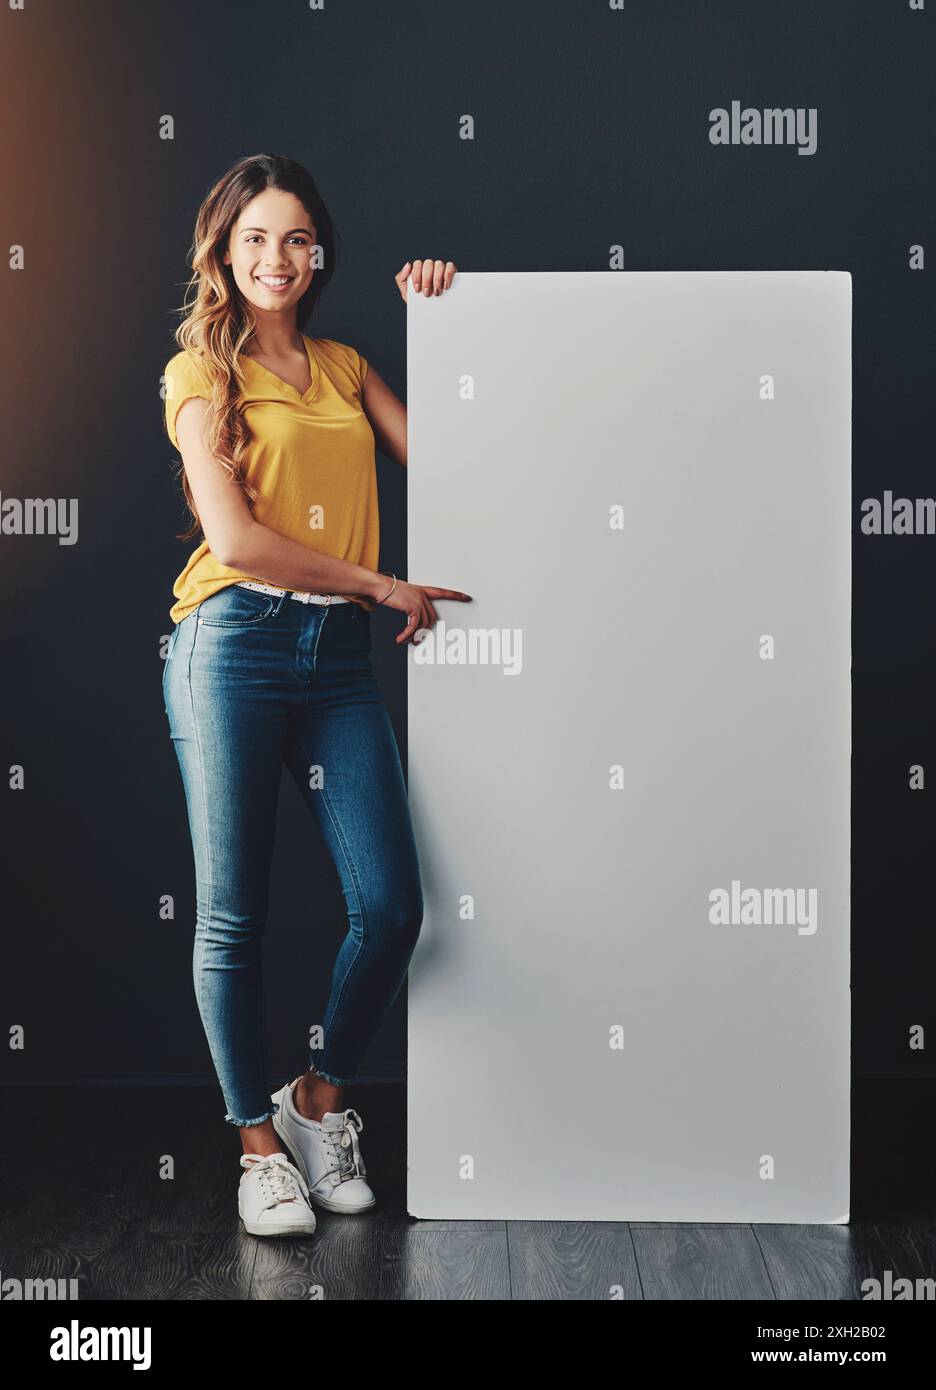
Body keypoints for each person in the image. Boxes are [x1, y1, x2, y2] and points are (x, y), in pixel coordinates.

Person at [160, 152, 470, 1238]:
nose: (274, 258)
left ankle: (316, 1104)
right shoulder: (199, 373)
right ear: (224, 251)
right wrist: (382, 582)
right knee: (232, 917)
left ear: (318, 254)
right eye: (253, 239)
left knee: (390, 908)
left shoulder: (344, 365)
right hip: (231, 645)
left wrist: (447, 321)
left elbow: (456, 459)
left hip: (337, 659)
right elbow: (237, 539)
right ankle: (256, 1146)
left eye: (294, 239)